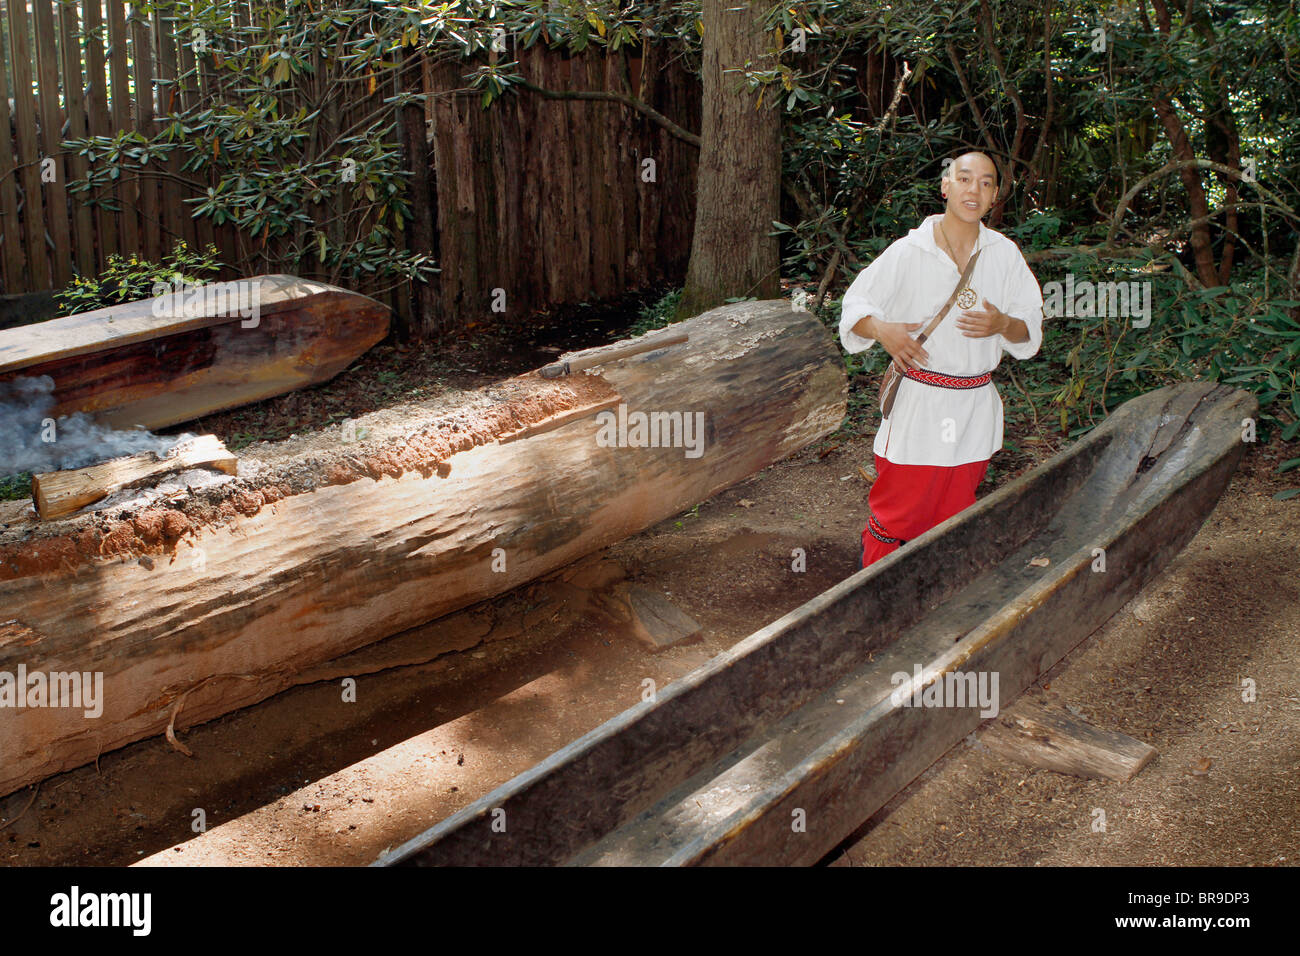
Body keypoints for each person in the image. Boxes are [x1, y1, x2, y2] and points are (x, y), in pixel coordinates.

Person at [839, 151, 1045, 567]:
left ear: (994, 196)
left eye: (986, 183)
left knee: (954, 514)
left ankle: (935, 593)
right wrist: (882, 330)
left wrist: (1004, 323)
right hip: (920, 405)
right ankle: (872, 591)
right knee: (899, 513)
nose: (975, 190)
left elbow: (1029, 329)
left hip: (974, 408)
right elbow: (854, 307)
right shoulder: (909, 252)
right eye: (965, 179)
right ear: (946, 186)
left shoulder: (1003, 254)